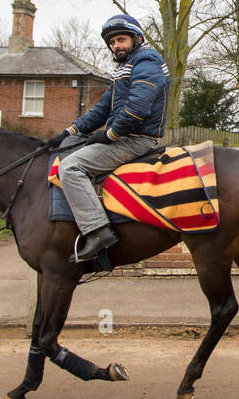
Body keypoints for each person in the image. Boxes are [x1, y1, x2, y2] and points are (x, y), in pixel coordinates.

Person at [45, 14, 170, 262]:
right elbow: (102, 108)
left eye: (121, 40)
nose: (116, 46)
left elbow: (138, 108)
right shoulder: (124, 68)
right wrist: (70, 131)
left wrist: (109, 135)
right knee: (69, 150)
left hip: (136, 139)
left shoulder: (146, 61)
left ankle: (97, 231)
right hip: (124, 135)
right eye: (112, 43)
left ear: (137, 38)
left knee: (70, 167)